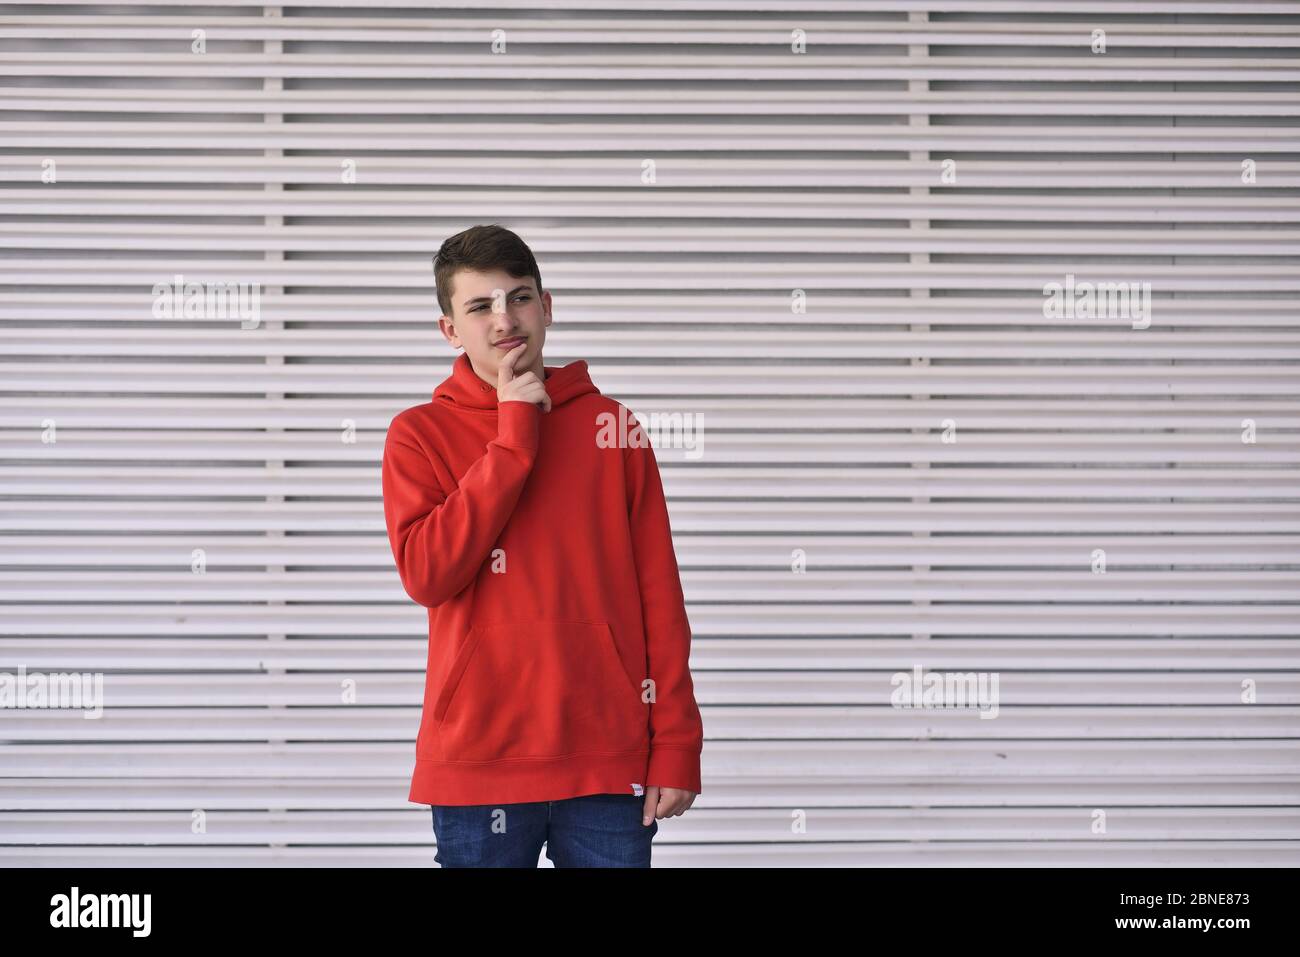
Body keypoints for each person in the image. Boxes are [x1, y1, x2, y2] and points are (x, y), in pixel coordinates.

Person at [381, 224, 704, 867]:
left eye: (520, 297)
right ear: (450, 328)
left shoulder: (611, 426)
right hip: (480, 759)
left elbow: (659, 595)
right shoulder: (417, 434)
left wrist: (676, 744)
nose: (505, 319)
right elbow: (428, 574)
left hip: (607, 761)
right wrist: (513, 434)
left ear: (547, 306)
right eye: (480, 306)